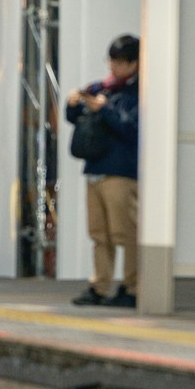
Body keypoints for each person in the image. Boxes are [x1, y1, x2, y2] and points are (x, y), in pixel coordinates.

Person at [64, 33, 141, 306]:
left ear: (134, 63)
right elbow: (76, 119)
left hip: (121, 172)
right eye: (111, 61)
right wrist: (73, 104)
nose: (113, 67)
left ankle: (132, 288)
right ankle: (99, 286)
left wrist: (105, 110)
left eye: (119, 62)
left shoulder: (140, 92)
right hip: (95, 168)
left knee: (126, 234)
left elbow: (132, 129)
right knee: (99, 234)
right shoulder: (101, 88)